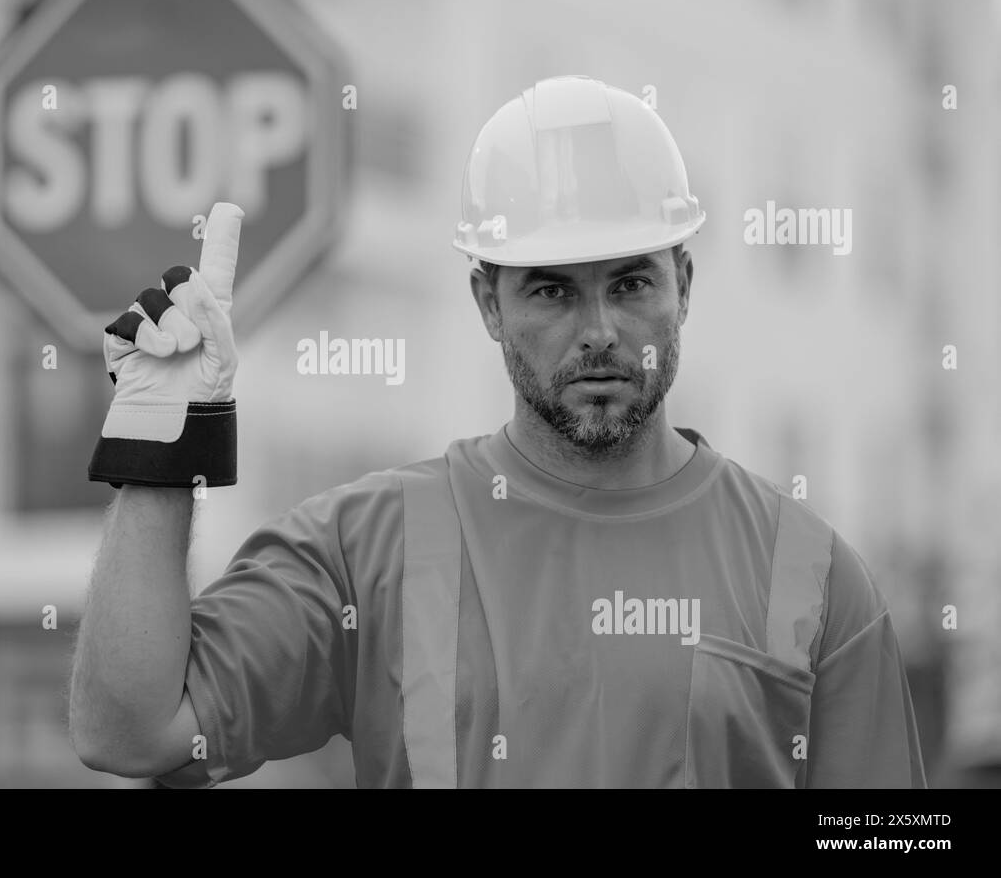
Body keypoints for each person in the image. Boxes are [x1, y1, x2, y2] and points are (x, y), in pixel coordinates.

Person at [68, 76, 927, 788]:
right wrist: (158, 451)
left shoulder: (812, 577)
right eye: (551, 290)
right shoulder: (368, 551)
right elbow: (130, 730)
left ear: (684, 287)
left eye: (630, 283)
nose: (598, 330)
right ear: (489, 303)